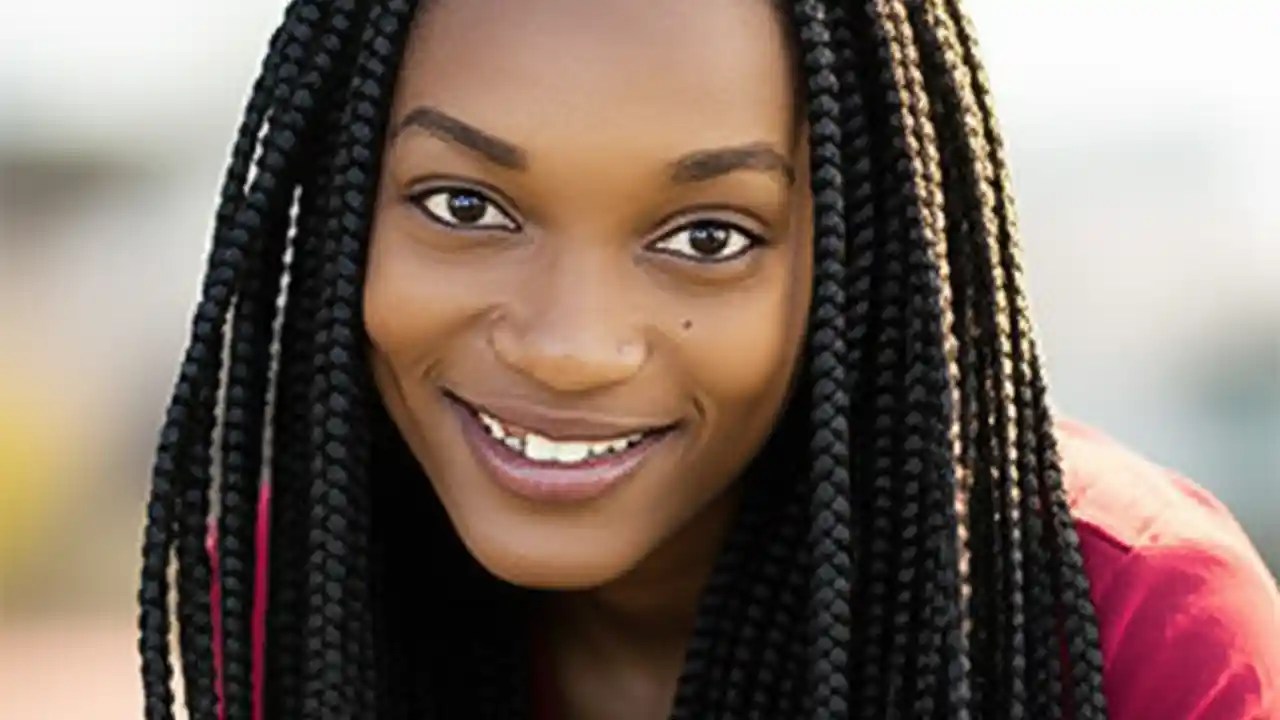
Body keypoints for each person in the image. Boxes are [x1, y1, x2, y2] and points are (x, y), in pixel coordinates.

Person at [136, 0, 1280, 718]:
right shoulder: (304, 578)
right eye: (464, 204)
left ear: (859, 257)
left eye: (706, 237)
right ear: (338, 215)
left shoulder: (1134, 627)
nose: (572, 347)